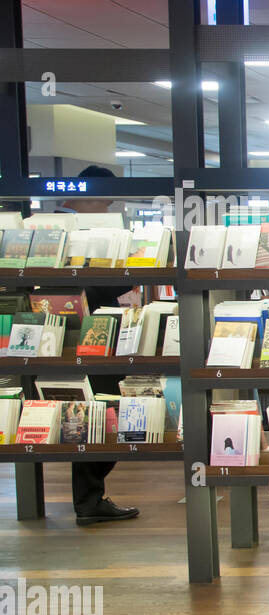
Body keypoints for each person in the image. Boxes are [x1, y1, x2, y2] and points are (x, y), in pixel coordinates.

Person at [55, 165, 139, 526]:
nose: (108, 212)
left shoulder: (65, 228)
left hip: (75, 336)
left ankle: (89, 498)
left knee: (94, 413)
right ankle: (89, 501)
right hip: (85, 339)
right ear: (87, 196)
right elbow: (94, 290)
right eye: (105, 202)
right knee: (101, 413)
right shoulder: (69, 234)